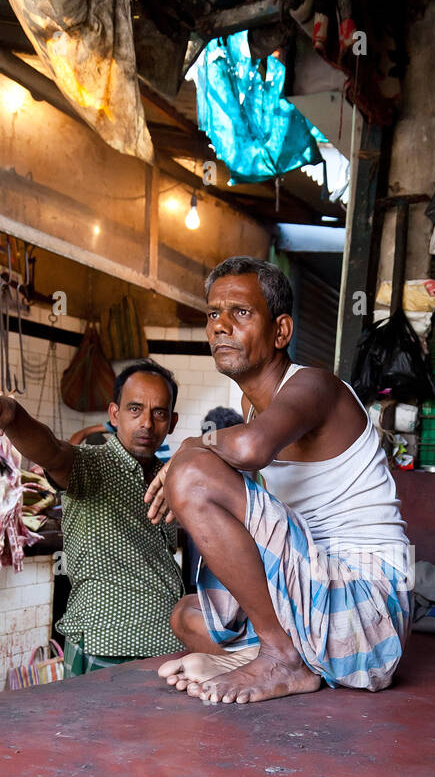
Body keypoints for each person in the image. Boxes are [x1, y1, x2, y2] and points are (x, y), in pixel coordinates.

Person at [146, 256, 412, 705]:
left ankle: (280, 656)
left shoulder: (314, 387)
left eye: (241, 313)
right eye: (213, 314)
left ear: (281, 331)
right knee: (188, 617)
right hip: (320, 596)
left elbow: (250, 449)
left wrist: (191, 447)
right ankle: (292, 662)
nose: (220, 326)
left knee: (192, 474)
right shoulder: (252, 411)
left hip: (368, 611)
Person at [0, 360, 185, 676]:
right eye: (135, 410)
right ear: (114, 414)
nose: (147, 424)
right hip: (111, 648)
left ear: (172, 421)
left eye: (159, 413)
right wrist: (10, 413)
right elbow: (52, 450)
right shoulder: (91, 466)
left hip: (166, 647)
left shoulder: (166, 477)